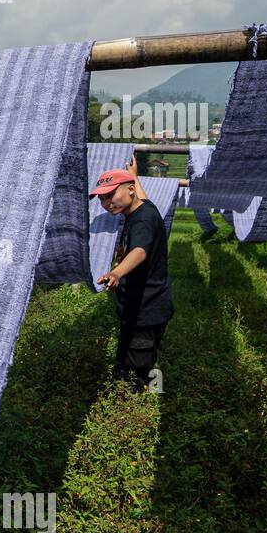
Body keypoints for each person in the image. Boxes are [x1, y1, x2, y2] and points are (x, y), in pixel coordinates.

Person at [91, 165, 173, 391]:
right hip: (143, 305)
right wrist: (135, 175)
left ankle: (143, 400)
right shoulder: (143, 208)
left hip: (146, 308)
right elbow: (143, 196)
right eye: (102, 199)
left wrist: (117, 272)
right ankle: (149, 394)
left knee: (137, 365)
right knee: (135, 357)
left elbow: (139, 250)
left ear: (129, 190)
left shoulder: (142, 221)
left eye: (110, 195)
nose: (106, 203)